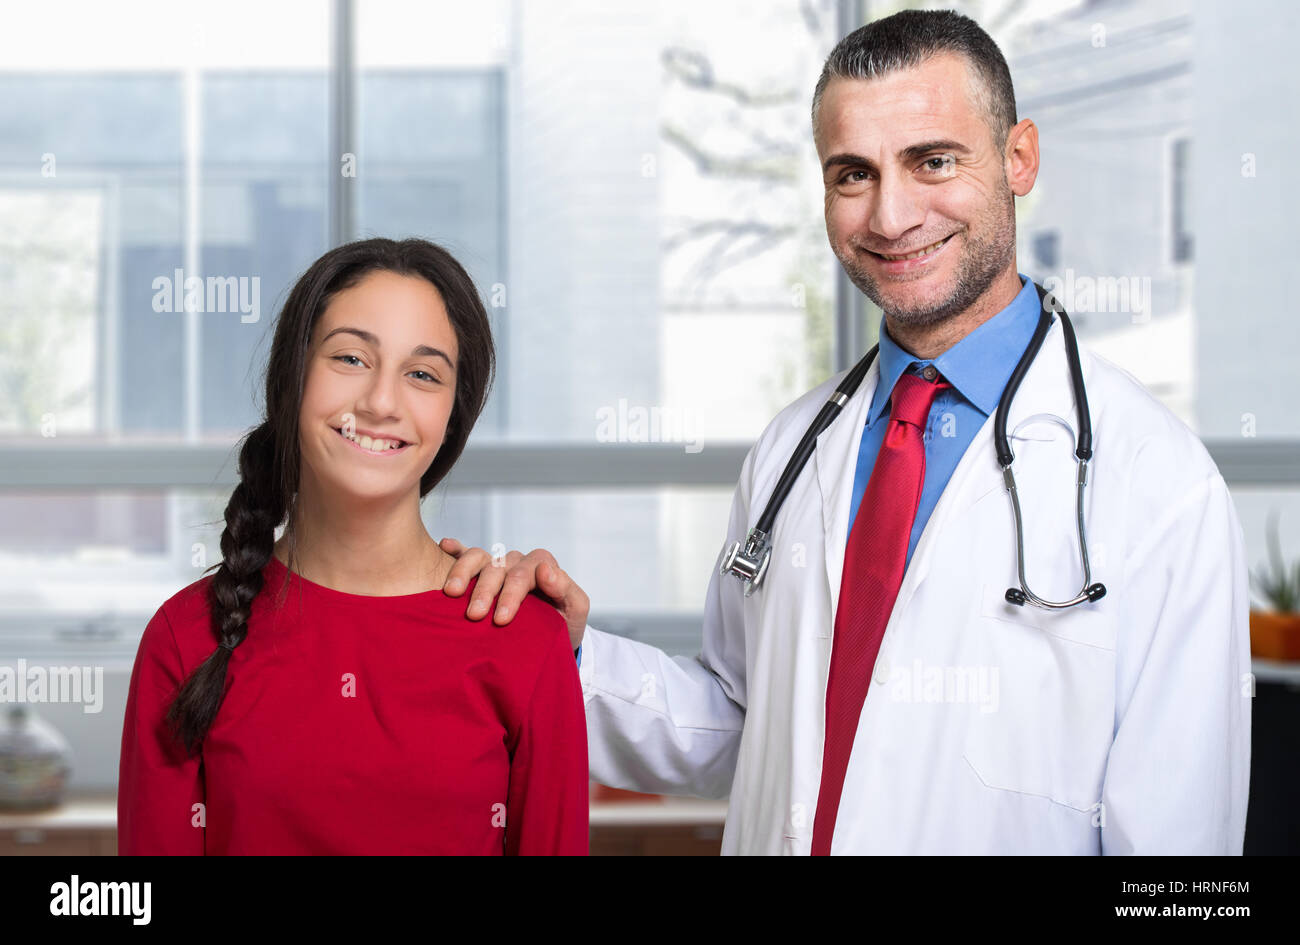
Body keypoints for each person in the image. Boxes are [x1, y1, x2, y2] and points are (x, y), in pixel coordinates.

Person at [436, 9, 1251, 855]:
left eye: (933, 161)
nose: (892, 217)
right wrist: (564, 654)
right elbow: (744, 722)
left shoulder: (1158, 485)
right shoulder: (793, 448)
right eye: (853, 174)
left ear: (1020, 159)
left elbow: (1178, 859)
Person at [118, 237, 588, 855]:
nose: (381, 403)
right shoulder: (184, 639)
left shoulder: (527, 641)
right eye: (350, 358)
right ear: (292, 378)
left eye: (422, 374)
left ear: (454, 414)